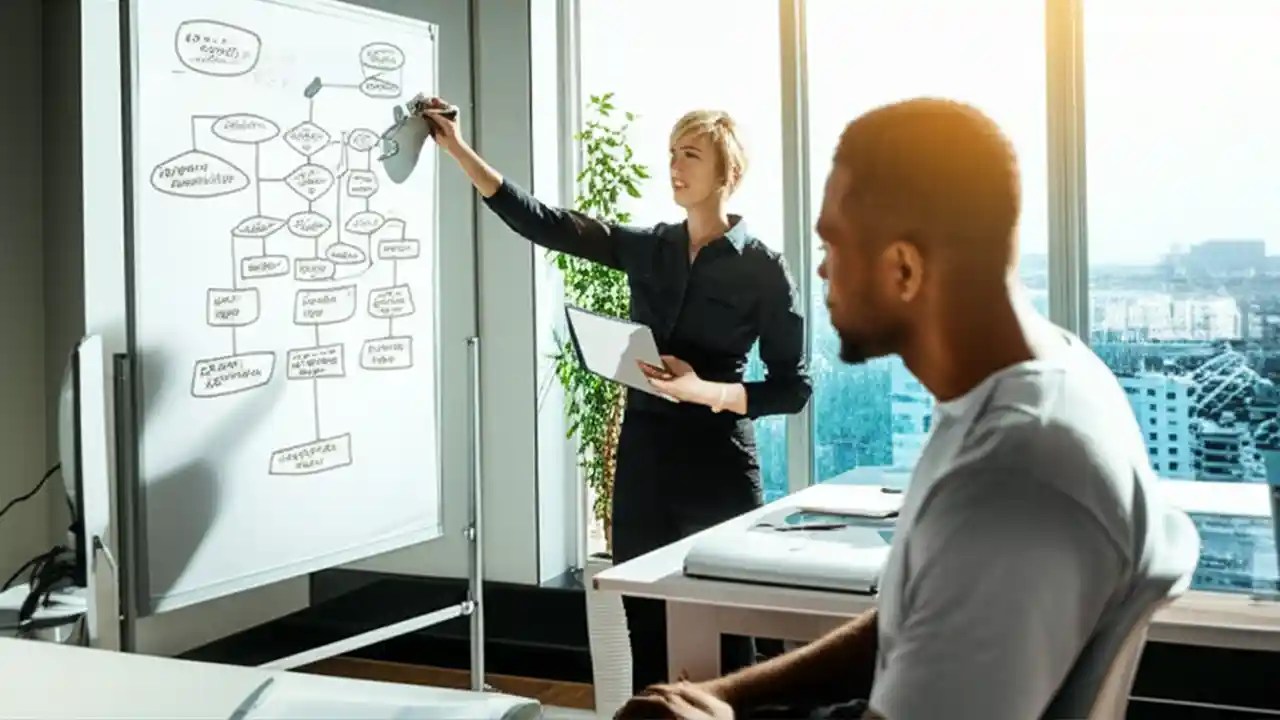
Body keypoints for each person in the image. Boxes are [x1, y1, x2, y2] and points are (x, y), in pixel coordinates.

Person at [615, 98, 1179, 720]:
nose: (821, 269)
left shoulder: (1013, 472)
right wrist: (724, 696)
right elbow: (907, 621)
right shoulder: (1043, 380)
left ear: (903, 268)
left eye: (832, 244)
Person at [418, 98, 812, 693]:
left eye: (690, 155)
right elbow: (545, 222)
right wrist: (457, 149)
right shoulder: (650, 246)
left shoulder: (764, 268)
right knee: (644, 627)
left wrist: (701, 389)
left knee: (730, 642)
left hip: (718, 468)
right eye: (672, 153)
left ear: (726, 173)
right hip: (643, 460)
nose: (674, 166)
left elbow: (792, 389)